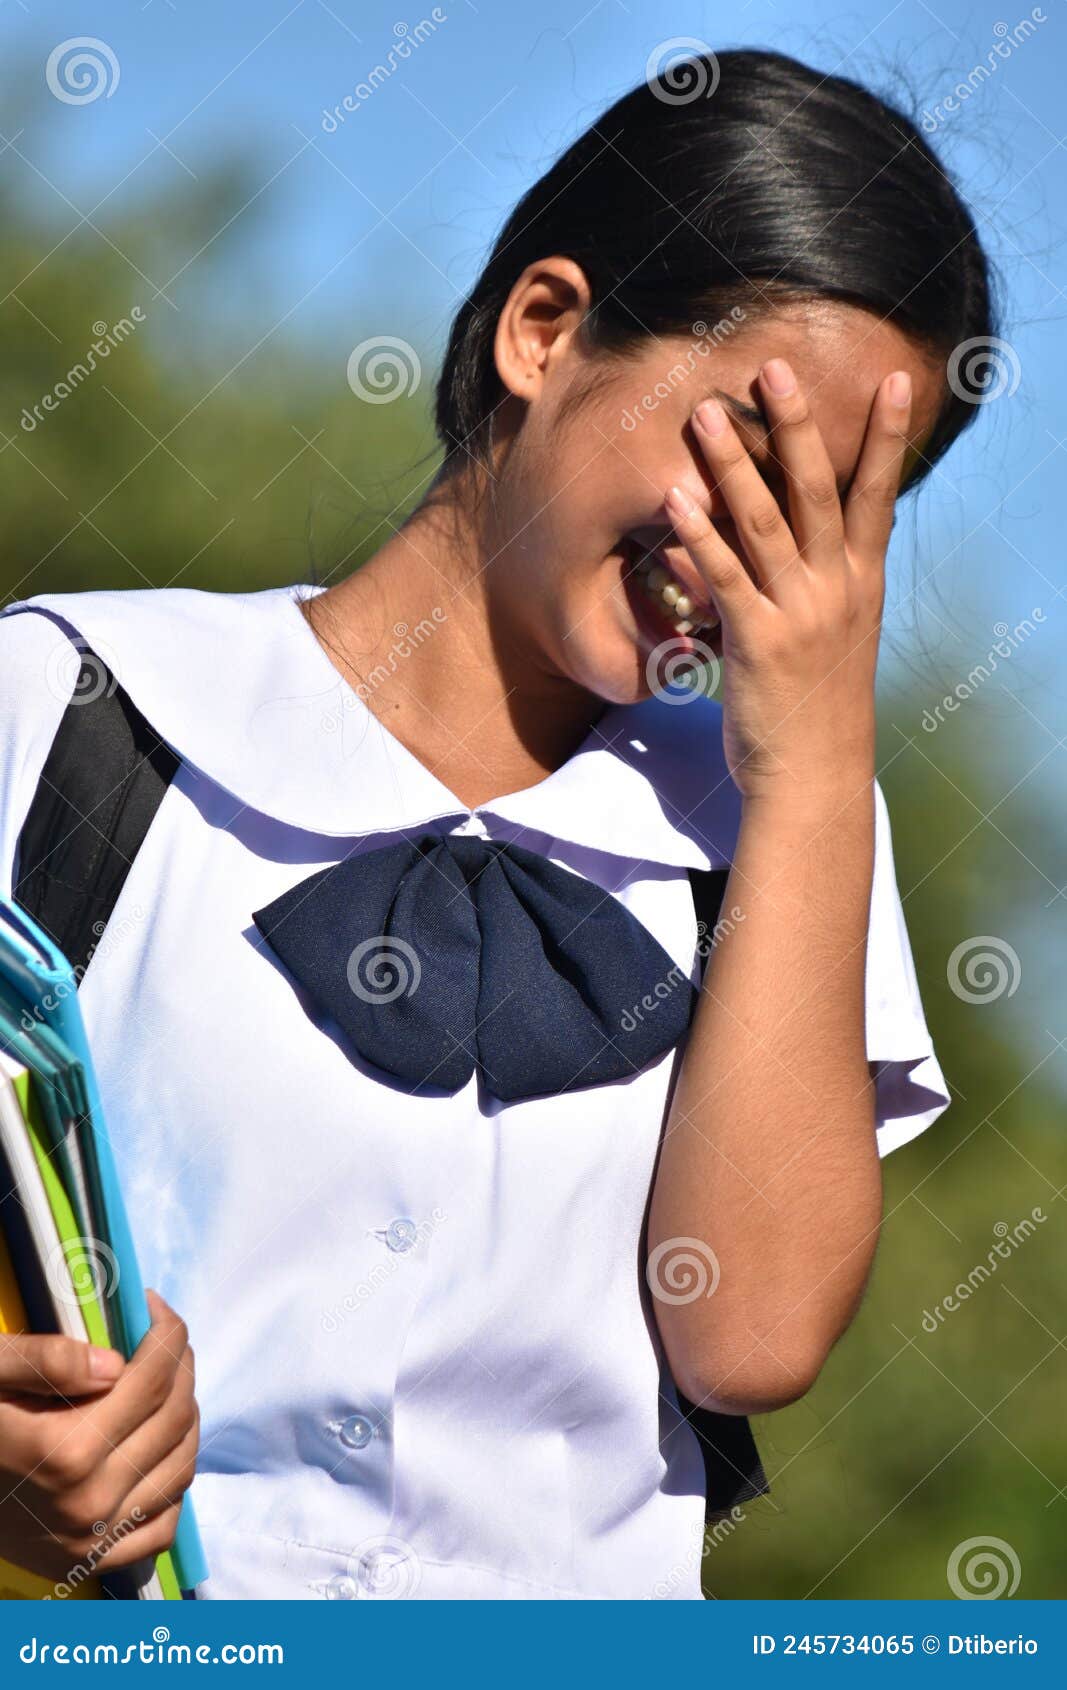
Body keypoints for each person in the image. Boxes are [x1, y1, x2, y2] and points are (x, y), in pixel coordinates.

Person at [0, 48, 992, 1599]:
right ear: (547, 331)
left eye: (843, 507)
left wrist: (810, 771)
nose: (757, 552)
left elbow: (748, 1331)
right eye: (746, 449)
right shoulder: (67, 711)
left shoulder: (785, 830)